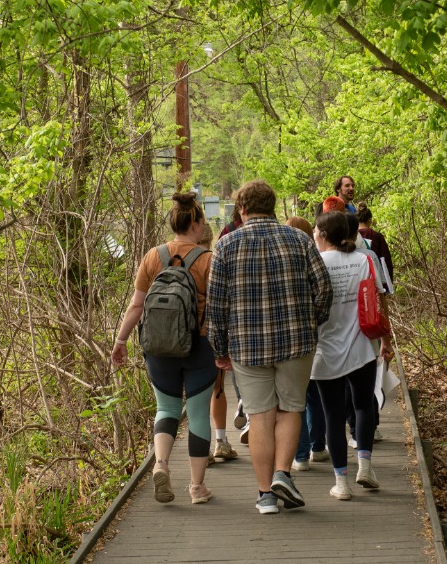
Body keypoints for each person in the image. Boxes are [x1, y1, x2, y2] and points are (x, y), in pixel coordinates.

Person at [205, 180, 332, 515]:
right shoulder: (300, 239)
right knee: (291, 408)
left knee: (260, 415)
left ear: (242, 209)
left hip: (247, 347)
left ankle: (265, 496)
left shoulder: (227, 246)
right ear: (273, 206)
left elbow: (216, 306)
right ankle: (282, 474)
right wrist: (310, 321)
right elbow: (324, 290)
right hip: (296, 341)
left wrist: (219, 348)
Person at [111, 193, 218, 505]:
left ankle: (160, 464)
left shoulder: (152, 256)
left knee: (166, 409)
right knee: (198, 416)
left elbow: (136, 305)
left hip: (158, 346)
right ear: (197, 225)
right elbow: (218, 309)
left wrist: (120, 341)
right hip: (199, 346)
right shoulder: (208, 260)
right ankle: (197, 488)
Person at [311, 210, 393, 500]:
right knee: (363, 406)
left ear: (323, 235)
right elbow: (377, 301)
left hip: (325, 350)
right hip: (362, 347)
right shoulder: (363, 260)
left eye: (316, 231)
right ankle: (366, 467)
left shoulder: (315, 263)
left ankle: (341, 484)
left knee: (333, 415)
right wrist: (386, 339)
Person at [286, 216, 329, 471]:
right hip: (319, 337)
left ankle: (300, 455)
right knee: (316, 396)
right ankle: (318, 447)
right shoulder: (315, 258)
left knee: (296, 399)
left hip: (295, 339)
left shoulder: (285, 261)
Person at [199, 222, 238, 463]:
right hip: (210, 333)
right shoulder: (213, 260)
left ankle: (200, 445)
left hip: (180, 336)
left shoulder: (170, 256)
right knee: (217, 389)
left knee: (195, 393)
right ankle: (220, 442)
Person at [356, 206, 394, 280]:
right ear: (370, 220)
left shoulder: (350, 237)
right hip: (376, 278)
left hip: (357, 278)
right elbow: (386, 261)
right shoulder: (377, 236)